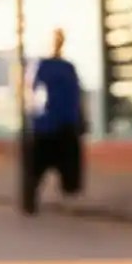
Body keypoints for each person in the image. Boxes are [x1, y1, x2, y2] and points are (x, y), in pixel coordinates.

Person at [25, 28, 86, 203]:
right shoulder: (39, 66)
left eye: (59, 40)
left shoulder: (68, 67)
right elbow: (29, 92)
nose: (56, 44)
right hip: (45, 124)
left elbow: (77, 95)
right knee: (36, 168)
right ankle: (30, 200)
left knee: (69, 169)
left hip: (66, 123)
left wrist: (80, 118)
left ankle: (68, 195)